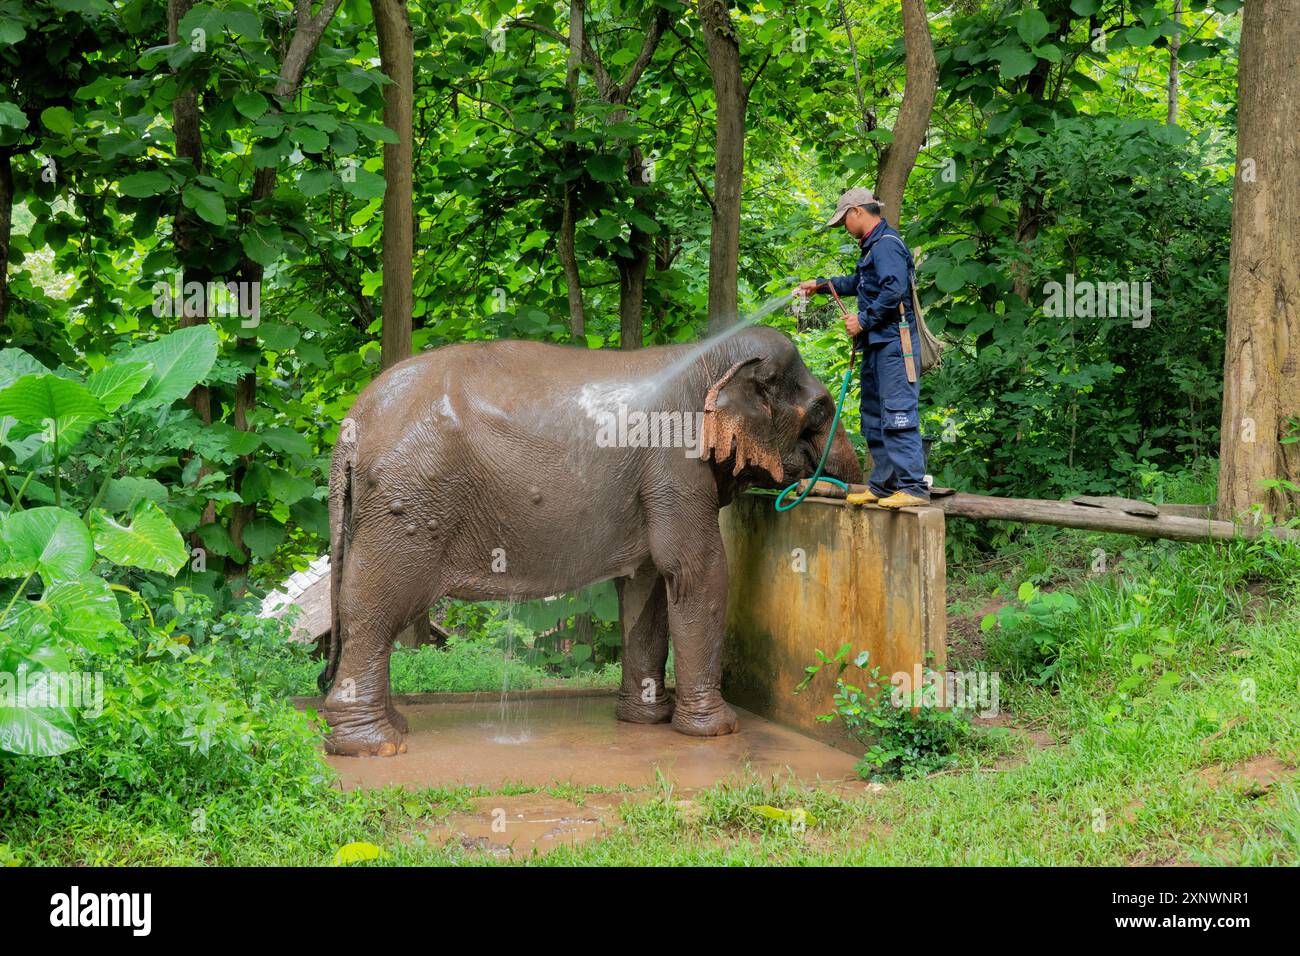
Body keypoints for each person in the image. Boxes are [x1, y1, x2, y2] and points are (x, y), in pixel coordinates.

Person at [797, 187, 930, 508]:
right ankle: (884, 486)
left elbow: (894, 289)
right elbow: (859, 283)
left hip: (895, 347)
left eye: (844, 219)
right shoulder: (872, 249)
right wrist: (821, 285)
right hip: (876, 347)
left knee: (898, 413)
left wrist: (864, 320)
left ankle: (913, 488)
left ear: (857, 211)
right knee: (873, 414)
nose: (844, 226)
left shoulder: (886, 246)